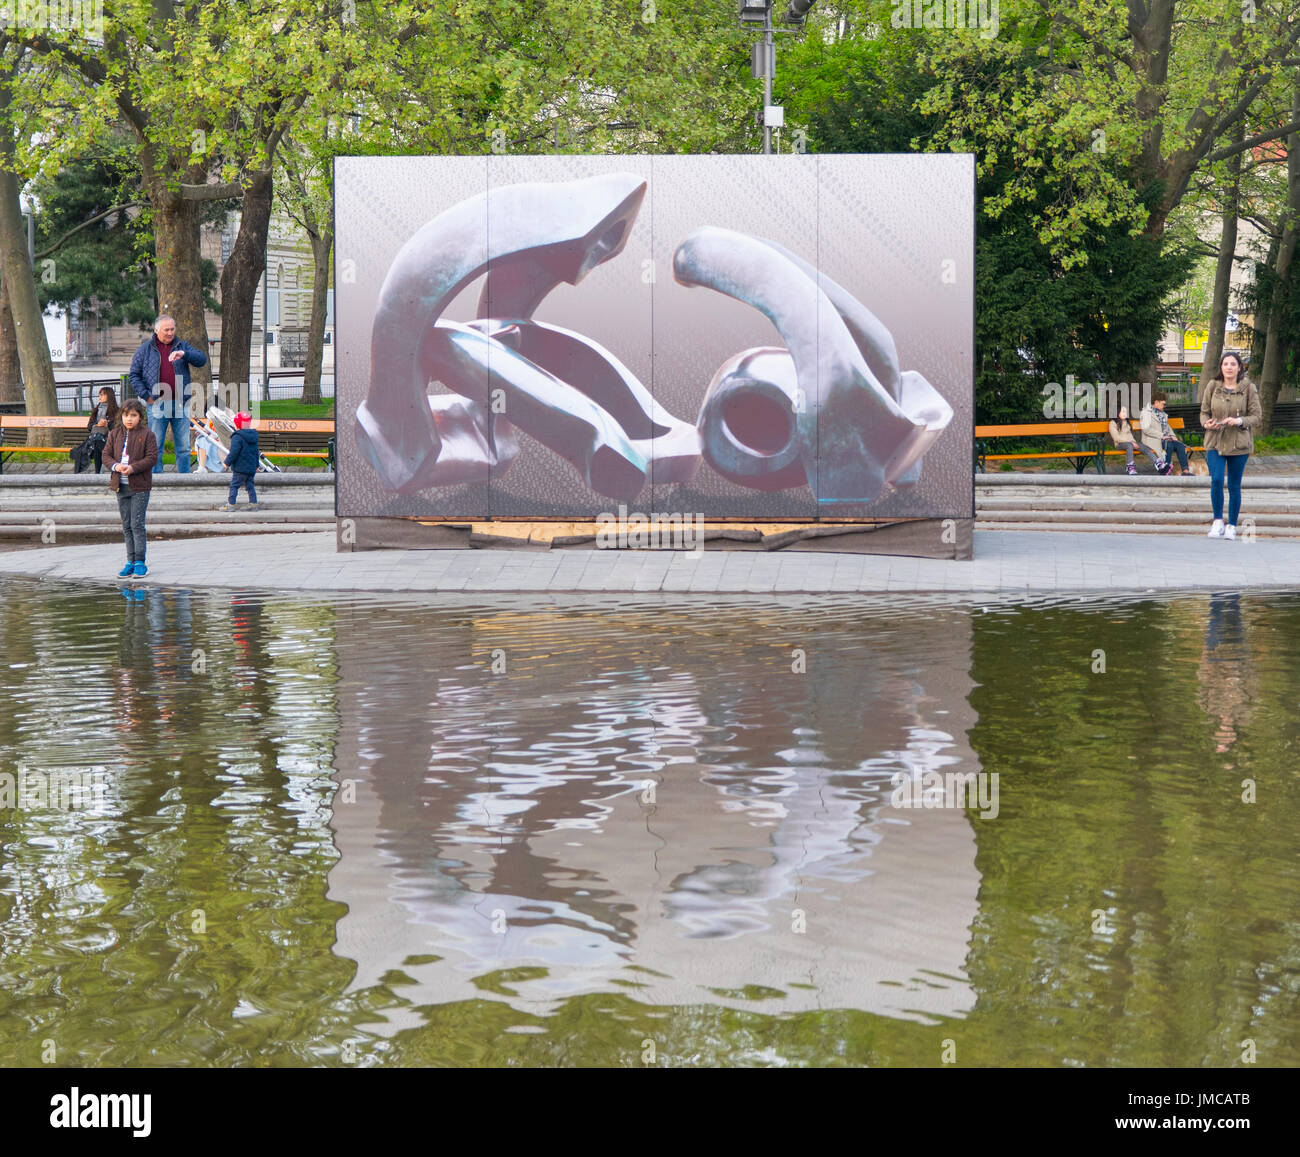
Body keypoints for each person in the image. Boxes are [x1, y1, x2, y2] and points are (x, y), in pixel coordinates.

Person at [127, 314, 207, 474]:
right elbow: (134, 375)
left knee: (184, 447)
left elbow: (201, 359)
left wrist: (184, 354)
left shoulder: (181, 346)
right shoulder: (145, 349)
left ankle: (184, 479)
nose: (170, 333)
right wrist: (147, 396)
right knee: (155, 446)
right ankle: (157, 479)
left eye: (172, 329)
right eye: (166, 330)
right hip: (157, 403)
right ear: (157, 330)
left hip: (180, 403)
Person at [1200, 351, 1261, 540]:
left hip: (1238, 443)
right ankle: (1218, 521)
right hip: (1215, 441)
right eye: (1225, 364)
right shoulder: (1213, 386)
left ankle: (1232, 525)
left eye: (1233, 364)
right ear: (1221, 367)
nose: (1229, 367)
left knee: (1234, 484)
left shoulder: (1248, 388)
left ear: (1239, 367)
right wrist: (1206, 423)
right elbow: (1204, 412)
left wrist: (1239, 420)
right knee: (1217, 480)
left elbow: (1257, 416)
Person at [102, 398, 158, 577]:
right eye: (126, 415)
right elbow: (106, 455)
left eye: (133, 415)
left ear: (140, 417)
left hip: (139, 487)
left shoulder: (147, 434)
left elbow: (151, 458)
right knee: (126, 525)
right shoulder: (115, 434)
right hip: (121, 487)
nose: (129, 419)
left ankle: (140, 562)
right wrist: (116, 466)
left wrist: (133, 468)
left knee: (137, 524)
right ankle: (130, 561)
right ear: (122, 416)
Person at [220, 411, 260, 511]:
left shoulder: (237, 437)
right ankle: (253, 503)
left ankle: (231, 504)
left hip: (240, 468)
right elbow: (256, 452)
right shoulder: (254, 436)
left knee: (234, 485)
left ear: (236, 424)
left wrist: (226, 463)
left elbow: (234, 452)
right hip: (251, 468)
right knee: (250, 485)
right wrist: (256, 464)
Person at [1108, 405, 1164, 475]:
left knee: (1144, 447)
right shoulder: (1112, 423)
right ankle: (1130, 467)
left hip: (1130, 443)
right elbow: (1116, 438)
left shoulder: (1126, 422)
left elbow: (1130, 436)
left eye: (1126, 412)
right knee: (1130, 445)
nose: (1125, 413)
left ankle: (1158, 463)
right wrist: (1131, 442)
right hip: (1119, 444)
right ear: (1117, 412)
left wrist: (1134, 443)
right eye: (1123, 412)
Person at [1140, 391, 1185, 475]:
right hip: (1152, 439)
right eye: (1163, 404)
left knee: (1180, 445)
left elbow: (1167, 427)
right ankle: (1165, 469)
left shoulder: (1162, 413)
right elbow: (1146, 429)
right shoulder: (1146, 413)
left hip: (1165, 438)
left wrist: (1172, 435)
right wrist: (1162, 436)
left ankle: (1185, 471)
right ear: (1156, 402)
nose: (1165, 406)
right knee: (1169, 445)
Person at [85, 386, 118, 475]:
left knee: (98, 442)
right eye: (99, 395)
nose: (100, 397)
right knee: (97, 441)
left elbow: (117, 429)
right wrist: (97, 424)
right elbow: (89, 426)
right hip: (97, 438)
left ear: (109, 396)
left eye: (103, 395)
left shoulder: (116, 411)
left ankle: (97, 472)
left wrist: (107, 424)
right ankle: (112, 468)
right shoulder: (96, 410)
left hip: (111, 439)